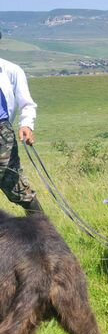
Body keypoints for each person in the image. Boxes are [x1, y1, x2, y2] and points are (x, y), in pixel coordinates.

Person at [0, 31, 43, 214]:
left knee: (17, 188)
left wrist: (26, 125)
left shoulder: (11, 70)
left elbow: (27, 103)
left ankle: (43, 234)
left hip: (2, 135)